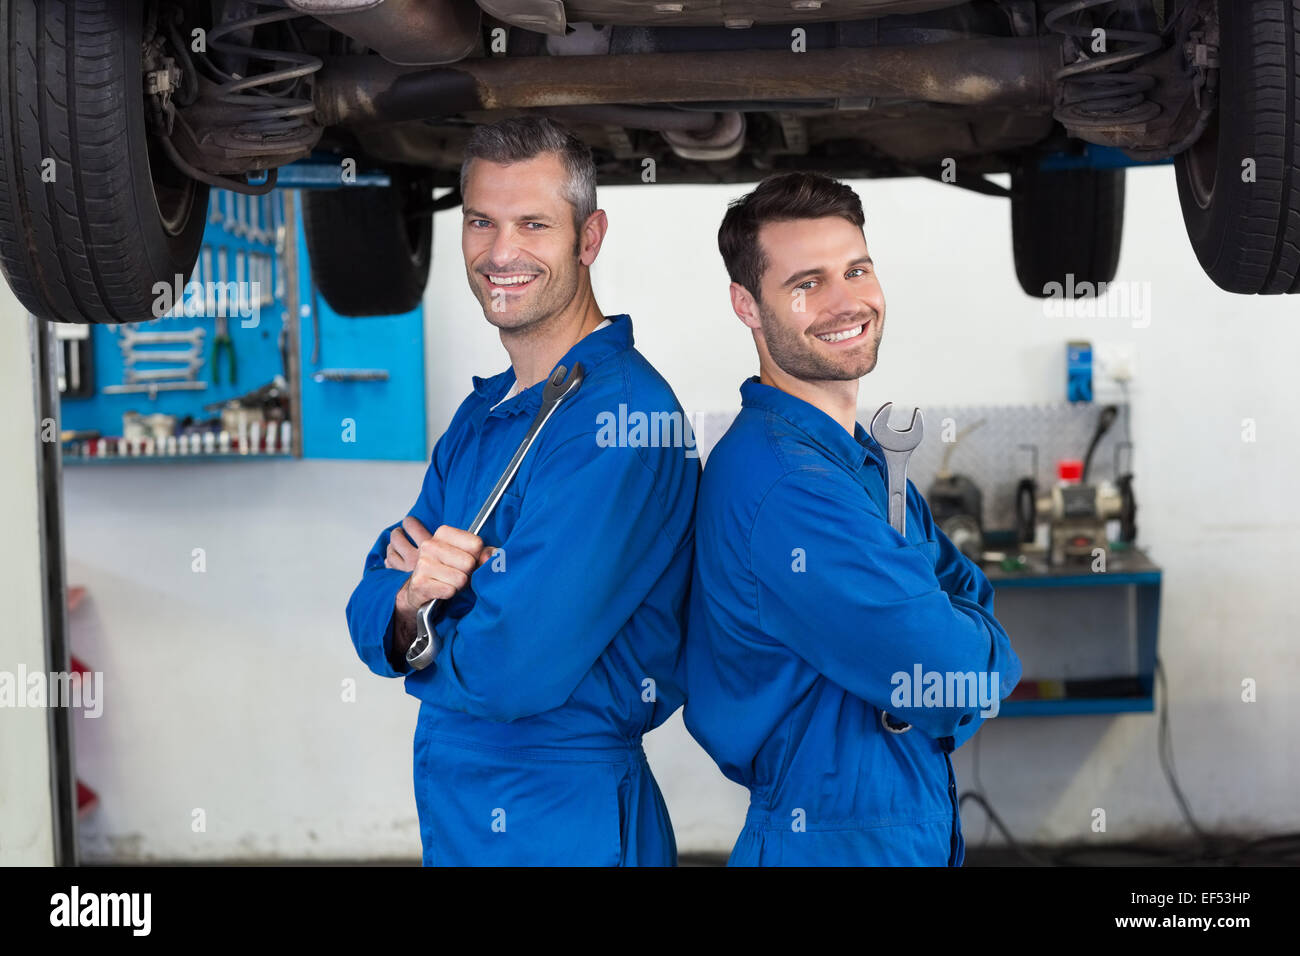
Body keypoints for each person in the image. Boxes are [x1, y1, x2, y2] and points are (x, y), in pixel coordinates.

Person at [346, 117, 697, 866]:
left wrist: (421, 622)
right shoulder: (486, 413)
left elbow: (512, 667)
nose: (500, 253)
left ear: (588, 237)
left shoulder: (621, 420)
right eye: (482, 222)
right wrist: (410, 605)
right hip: (463, 805)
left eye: (533, 224)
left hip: (564, 814)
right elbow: (373, 600)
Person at [685, 171, 1021, 866]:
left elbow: (963, 597)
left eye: (856, 269)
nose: (847, 302)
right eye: (806, 283)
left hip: (891, 820)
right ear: (746, 306)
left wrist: (945, 626)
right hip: (837, 836)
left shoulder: (856, 458)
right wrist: (965, 640)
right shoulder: (790, 486)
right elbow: (953, 672)